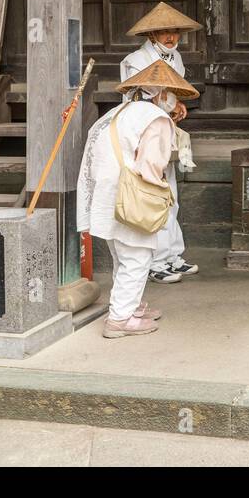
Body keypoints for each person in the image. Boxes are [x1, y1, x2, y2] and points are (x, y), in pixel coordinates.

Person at [80, 59, 199, 338]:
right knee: (137, 257)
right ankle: (120, 320)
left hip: (104, 194)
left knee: (122, 256)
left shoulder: (115, 113)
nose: (173, 99)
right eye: (170, 93)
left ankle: (128, 305)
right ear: (160, 93)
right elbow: (151, 166)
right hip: (131, 195)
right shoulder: (155, 118)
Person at [119, 2, 203, 284]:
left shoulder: (175, 58)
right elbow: (141, 97)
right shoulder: (135, 60)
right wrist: (172, 102)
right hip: (143, 133)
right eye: (164, 32)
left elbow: (175, 91)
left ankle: (171, 255)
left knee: (170, 195)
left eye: (174, 32)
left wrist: (177, 105)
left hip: (164, 131)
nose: (170, 37)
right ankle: (153, 260)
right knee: (150, 194)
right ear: (152, 34)